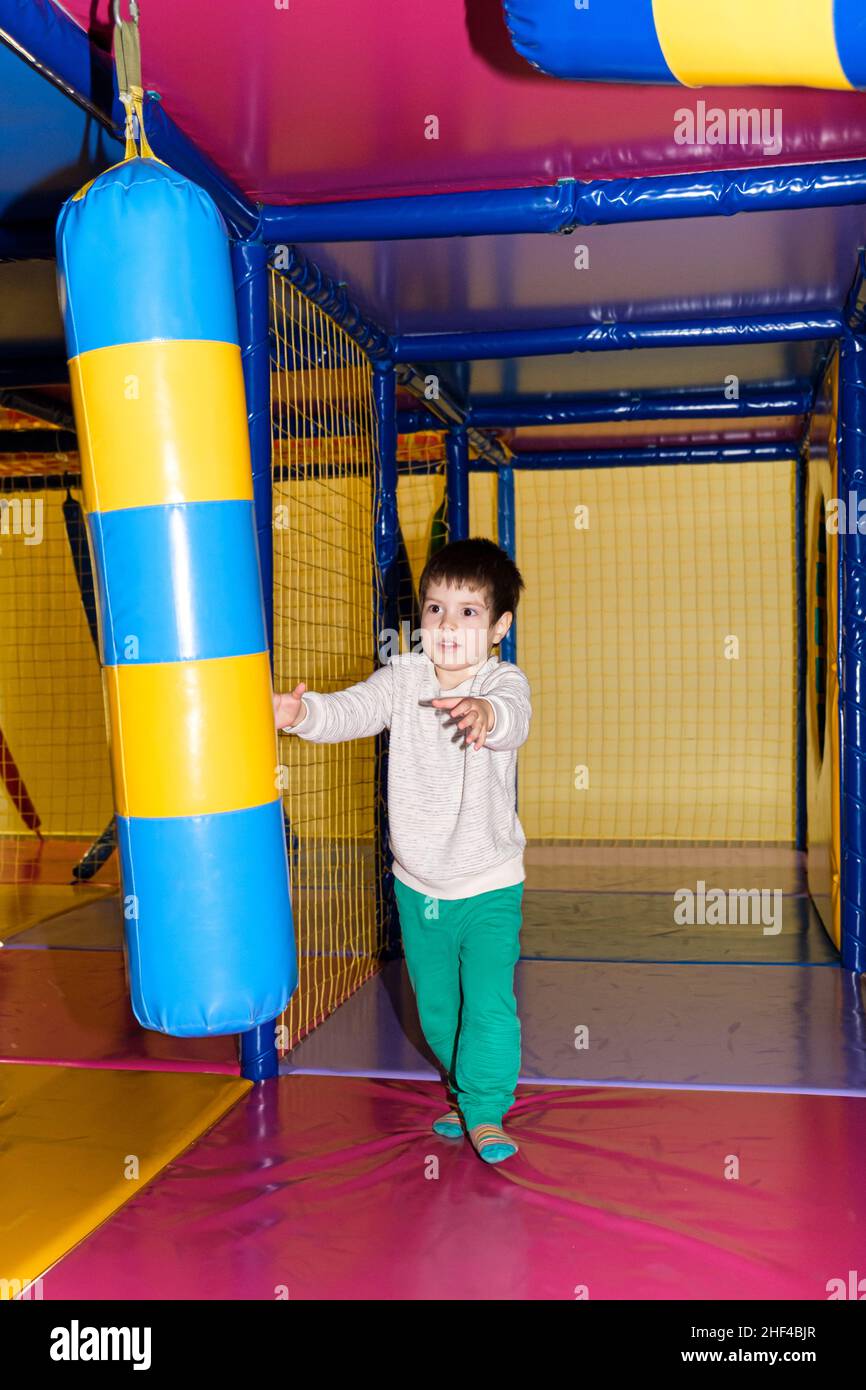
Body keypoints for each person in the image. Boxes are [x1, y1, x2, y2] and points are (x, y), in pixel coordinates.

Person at [274, 537, 531, 1164]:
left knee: (489, 1001)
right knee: (439, 1011)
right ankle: (462, 1091)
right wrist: (299, 711)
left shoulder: (502, 681)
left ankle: (487, 1108)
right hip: (419, 887)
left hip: (490, 881)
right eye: (436, 609)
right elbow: (353, 710)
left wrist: (484, 715)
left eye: (468, 613)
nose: (447, 625)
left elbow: (513, 717)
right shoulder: (405, 677)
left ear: (499, 626)